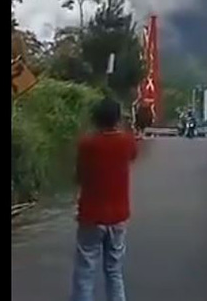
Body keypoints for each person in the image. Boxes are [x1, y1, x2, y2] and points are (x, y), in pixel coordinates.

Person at [71, 98, 138, 301]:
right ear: (118, 118)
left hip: (91, 215)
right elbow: (133, 155)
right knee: (114, 271)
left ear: (95, 118)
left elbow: (79, 176)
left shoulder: (87, 144)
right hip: (118, 216)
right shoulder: (127, 142)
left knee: (85, 271)